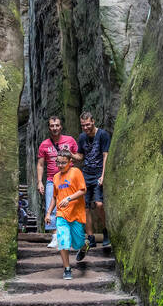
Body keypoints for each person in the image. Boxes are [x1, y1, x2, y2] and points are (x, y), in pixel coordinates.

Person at [45, 145, 86, 279]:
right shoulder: (56, 177)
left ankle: (85, 246)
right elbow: (55, 197)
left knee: (78, 243)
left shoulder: (76, 172)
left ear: (70, 162)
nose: (60, 165)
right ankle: (67, 269)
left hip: (76, 214)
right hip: (61, 214)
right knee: (63, 240)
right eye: (58, 162)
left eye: (63, 162)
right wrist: (48, 213)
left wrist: (69, 198)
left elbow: (83, 190)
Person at [36, 115, 78, 247]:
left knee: (70, 206)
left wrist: (70, 154)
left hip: (68, 179)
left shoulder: (70, 140)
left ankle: (68, 235)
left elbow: (78, 156)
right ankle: (55, 237)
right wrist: (39, 181)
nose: (55, 128)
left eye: (57, 125)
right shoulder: (44, 144)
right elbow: (40, 164)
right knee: (51, 207)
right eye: (52, 126)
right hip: (51, 180)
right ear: (49, 128)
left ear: (61, 127)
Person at [75, 111, 111, 250]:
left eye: (88, 124)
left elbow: (105, 156)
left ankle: (106, 230)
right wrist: (70, 154)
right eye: (83, 125)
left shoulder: (102, 135)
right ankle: (90, 237)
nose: (85, 127)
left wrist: (103, 175)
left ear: (93, 121)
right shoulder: (82, 137)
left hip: (98, 174)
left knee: (99, 204)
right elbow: (80, 156)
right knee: (85, 206)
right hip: (86, 174)